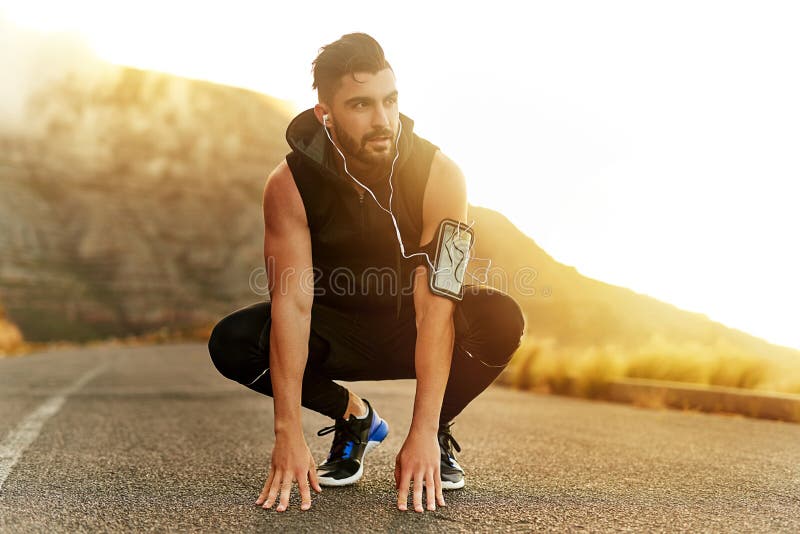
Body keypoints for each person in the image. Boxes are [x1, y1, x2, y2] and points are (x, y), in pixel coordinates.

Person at [207, 32, 525, 513]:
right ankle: (354, 417)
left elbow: (438, 300)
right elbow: (291, 304)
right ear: (325, 115)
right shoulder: (288, 184)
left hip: (411, 324)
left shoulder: (442, 174)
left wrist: (421, 429)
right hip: (333, 329)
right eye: (360, 105)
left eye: (390, 100)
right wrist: (287, 431)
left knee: (500, 317)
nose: (382, 121)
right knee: (234, 340)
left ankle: (436, 431)